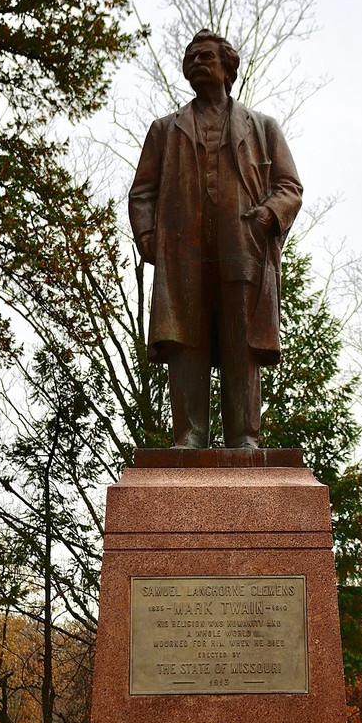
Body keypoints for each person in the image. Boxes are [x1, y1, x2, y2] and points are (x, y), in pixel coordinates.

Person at [128, 29, 303, 448]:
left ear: (228, 69)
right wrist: (147, 233)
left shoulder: (262, 127)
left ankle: (244, 435)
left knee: (241, 339)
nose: (196, 62)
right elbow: (142, 192)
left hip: (241, 246)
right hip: (183, 250)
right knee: (186, 338)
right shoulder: (165, 130)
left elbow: (289, 187)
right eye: (191, 58)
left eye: (206, 56)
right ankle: (190, 434)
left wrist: (267, 216)